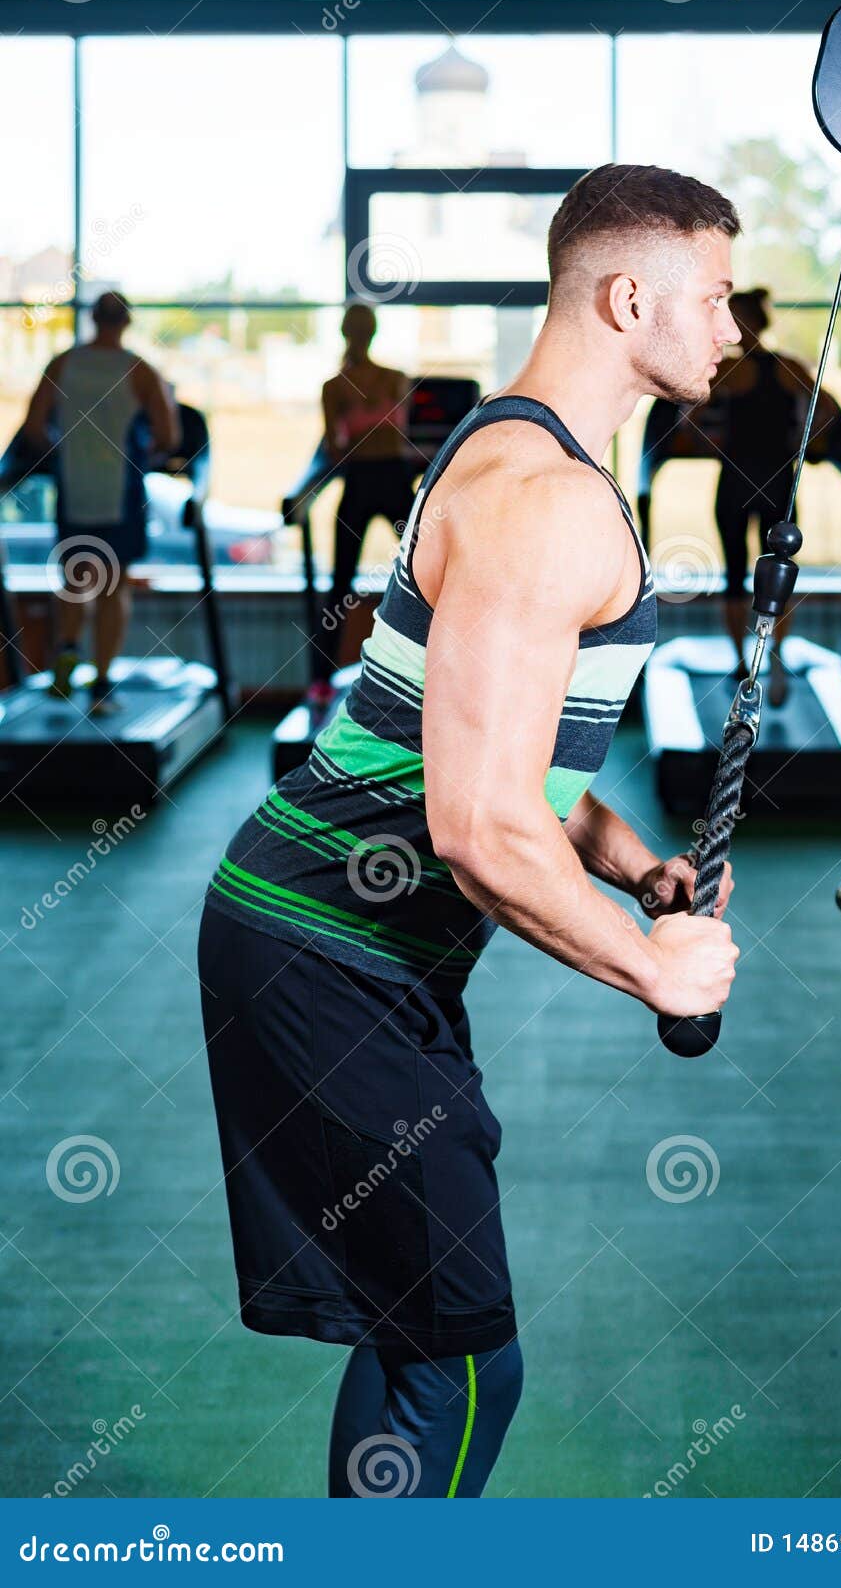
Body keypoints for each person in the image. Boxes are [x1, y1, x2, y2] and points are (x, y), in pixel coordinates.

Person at [197, 164, 741, 1499]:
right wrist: (650, 962)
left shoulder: (515, 449)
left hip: (342, 954)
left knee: (420, 1330)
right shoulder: (546, 499)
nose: (732, 328)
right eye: (717, 296)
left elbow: (505, 748)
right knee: (459, 1358)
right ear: (630, 297)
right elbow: (481, 825)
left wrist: (627, 859)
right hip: (326, 955)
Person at [22, 291, 180, 715]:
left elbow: (34, 426)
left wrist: (64, 452)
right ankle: (102, 685)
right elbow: (169, 436)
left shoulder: (63, 363)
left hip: (75, 488)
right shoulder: (139, 370)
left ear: (92, 319)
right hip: (120, 490)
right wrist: (149, 454)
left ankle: (68, 649)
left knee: (75, 578)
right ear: (126, 322)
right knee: (113, 585)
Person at [702, 287, 838, 706]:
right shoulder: (788, 368)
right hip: (775, 480)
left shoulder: (725, 371)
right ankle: (764, 663)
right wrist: (808, 444)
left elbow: (689, 421)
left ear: (747, 323)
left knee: (744, 575)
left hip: (746, 481)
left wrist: (713, 439)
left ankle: (754, 665)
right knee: (769, 575)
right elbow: (828, 408)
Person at [309, 304, 412, 706]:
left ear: (343, 333)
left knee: (340, 582)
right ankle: (321, 680)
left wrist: (356, 434)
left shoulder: (338, 386)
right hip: (389, 480)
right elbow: (403, 433)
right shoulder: (392, 380)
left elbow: (334, 448)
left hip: (367, 480)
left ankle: (320, 680)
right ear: (371, 332)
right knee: (425, 573)